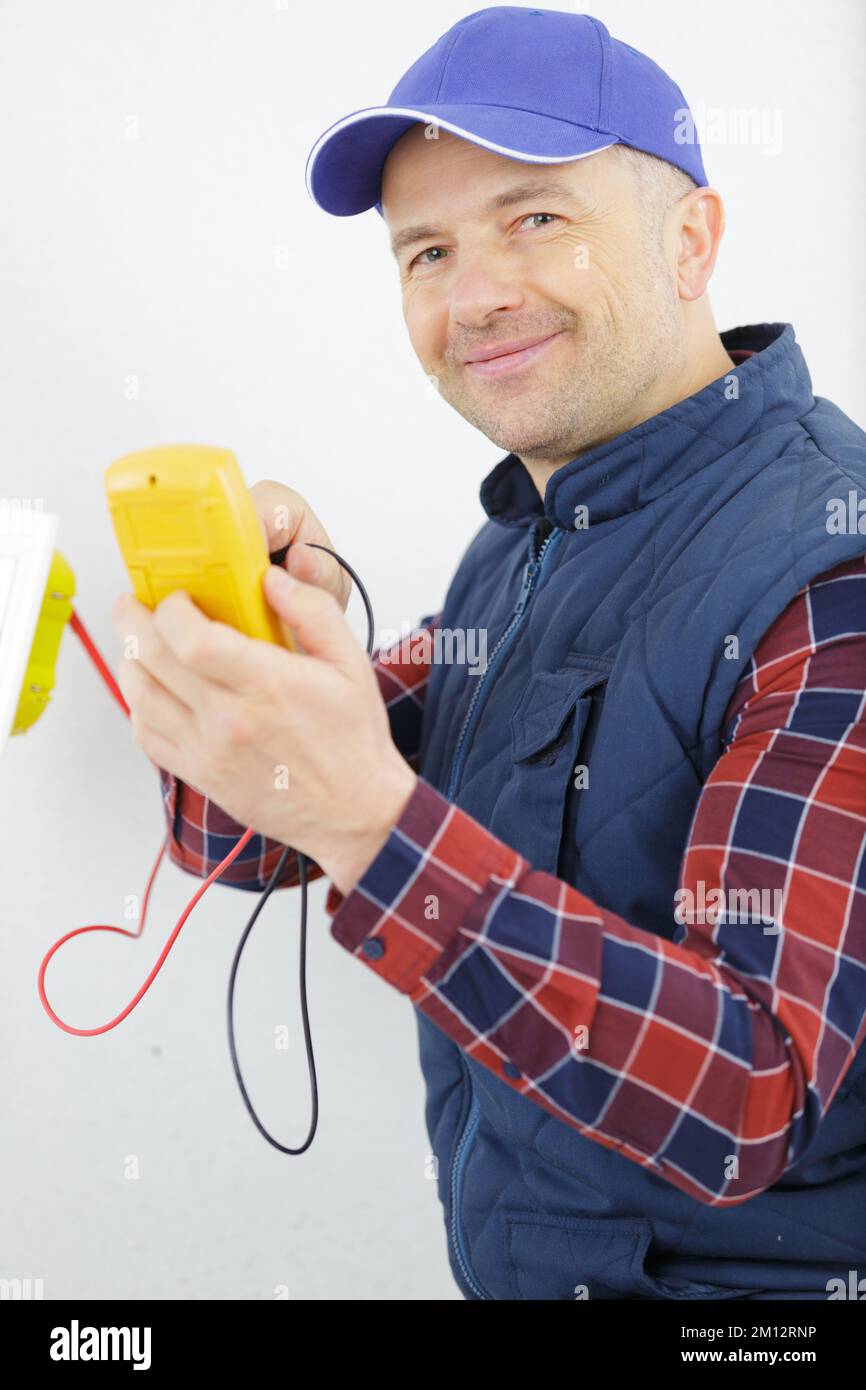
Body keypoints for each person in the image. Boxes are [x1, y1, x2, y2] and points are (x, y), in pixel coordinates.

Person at [112, 7, 866, 1300]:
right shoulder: (519, 547)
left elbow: (754, 1086)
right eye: (426, 250)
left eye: (535, 220)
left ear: (691, 240)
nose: (473, 295)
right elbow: (250, 837)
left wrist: (370, 823)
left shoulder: (827, 572)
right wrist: (249, 627)